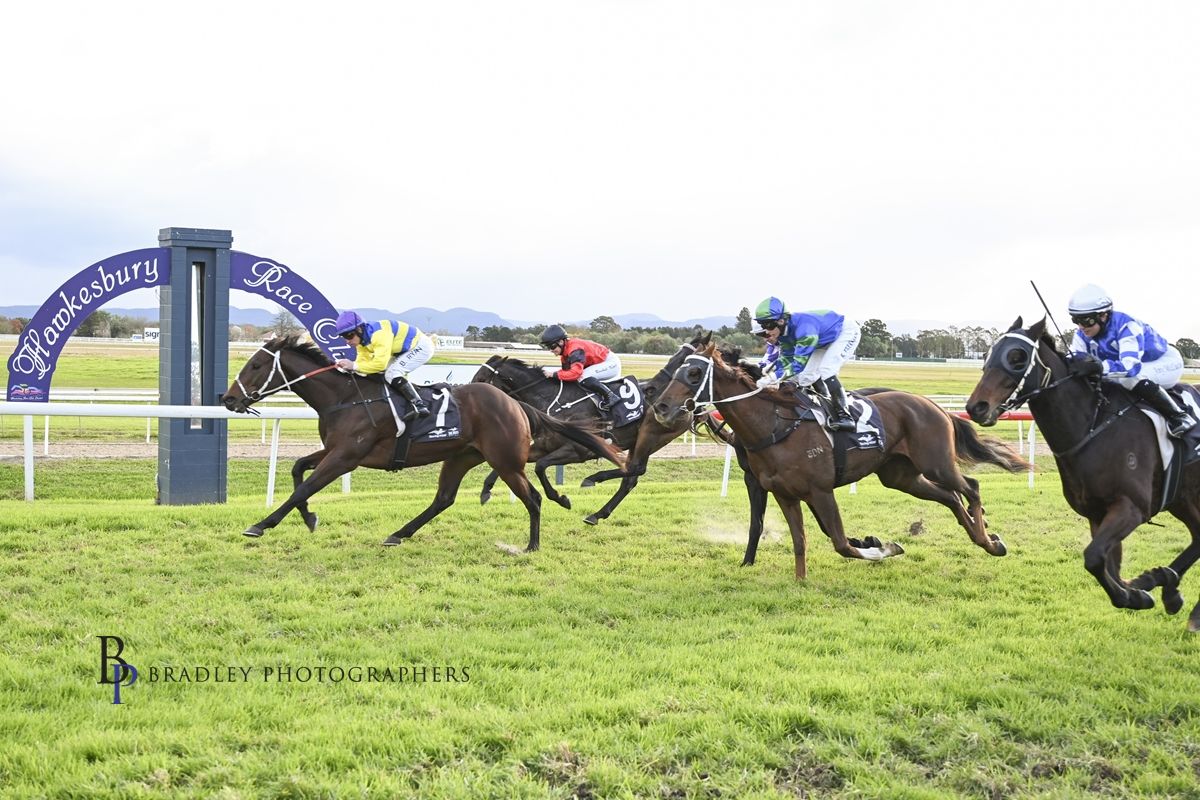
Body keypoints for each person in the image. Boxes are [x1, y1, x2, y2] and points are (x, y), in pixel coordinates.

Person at [1066, 284, 1196, 437]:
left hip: (1165, 362)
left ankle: (1179, 417)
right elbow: (1073, 360)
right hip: (1138, 365)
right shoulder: (1081, 335)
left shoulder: (1126, 326)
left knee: (1128, 379)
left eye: (1086, 320)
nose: (1081, 326)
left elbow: (1130, 367)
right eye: (1076, 320)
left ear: (1103, 316)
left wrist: (1099, 367)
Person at [752, 296, 861, 432]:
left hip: (845, 332)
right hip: (822, 341)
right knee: (804, 378)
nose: (767, 331)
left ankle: (846, 417)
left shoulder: (805, 330)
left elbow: (798, 364)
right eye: (763, 326)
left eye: (768, 325)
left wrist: (774, 377)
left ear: (781, 321)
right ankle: (823, 407)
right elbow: (787, 358)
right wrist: (769, 373)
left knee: (827, 370)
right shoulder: (784, 334)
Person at [333, 310, 433, 420]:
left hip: (420, 346)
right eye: (343, 336)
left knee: (392, 373)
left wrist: (353, 366)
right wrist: (349, 368)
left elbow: (380, 364)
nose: (347, 341)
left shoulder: (379, 335)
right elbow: (362, 363)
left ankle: (419, 406)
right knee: (381, 373)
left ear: (359, 329)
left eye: (349, 335)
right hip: (402, 351)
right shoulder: (362, 341)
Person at [538, 324, 622, 412]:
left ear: (561, 342)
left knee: (582, 377)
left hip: (610, 363)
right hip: (601, 363)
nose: (551, 350)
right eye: (548, 347)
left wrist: (553, 374)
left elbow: (575, 373)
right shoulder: (564, 355)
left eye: (552, 346)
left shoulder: (575, 348)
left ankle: (611, 396)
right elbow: (566, 374)